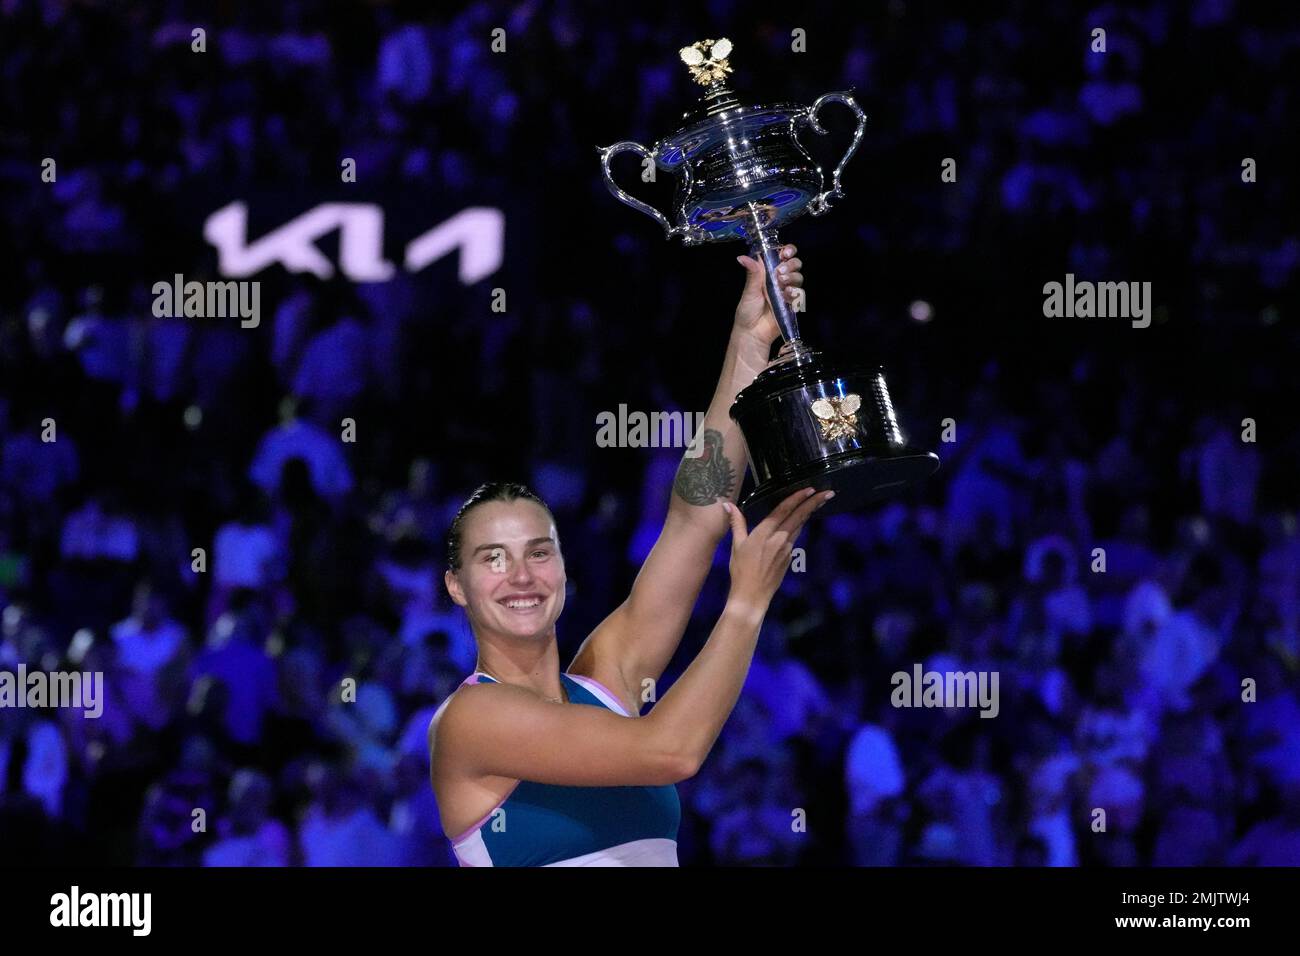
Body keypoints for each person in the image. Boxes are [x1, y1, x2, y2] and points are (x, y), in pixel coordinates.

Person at [428, 246, 835, 866]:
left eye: (539, 552)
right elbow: (672, 751)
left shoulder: (609, 679)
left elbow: (696, 519)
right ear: (456, 586)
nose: (521, 576)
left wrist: (747, 346)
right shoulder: (471, 719)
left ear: (564, 568)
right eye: (493, 558)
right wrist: (746, 605)